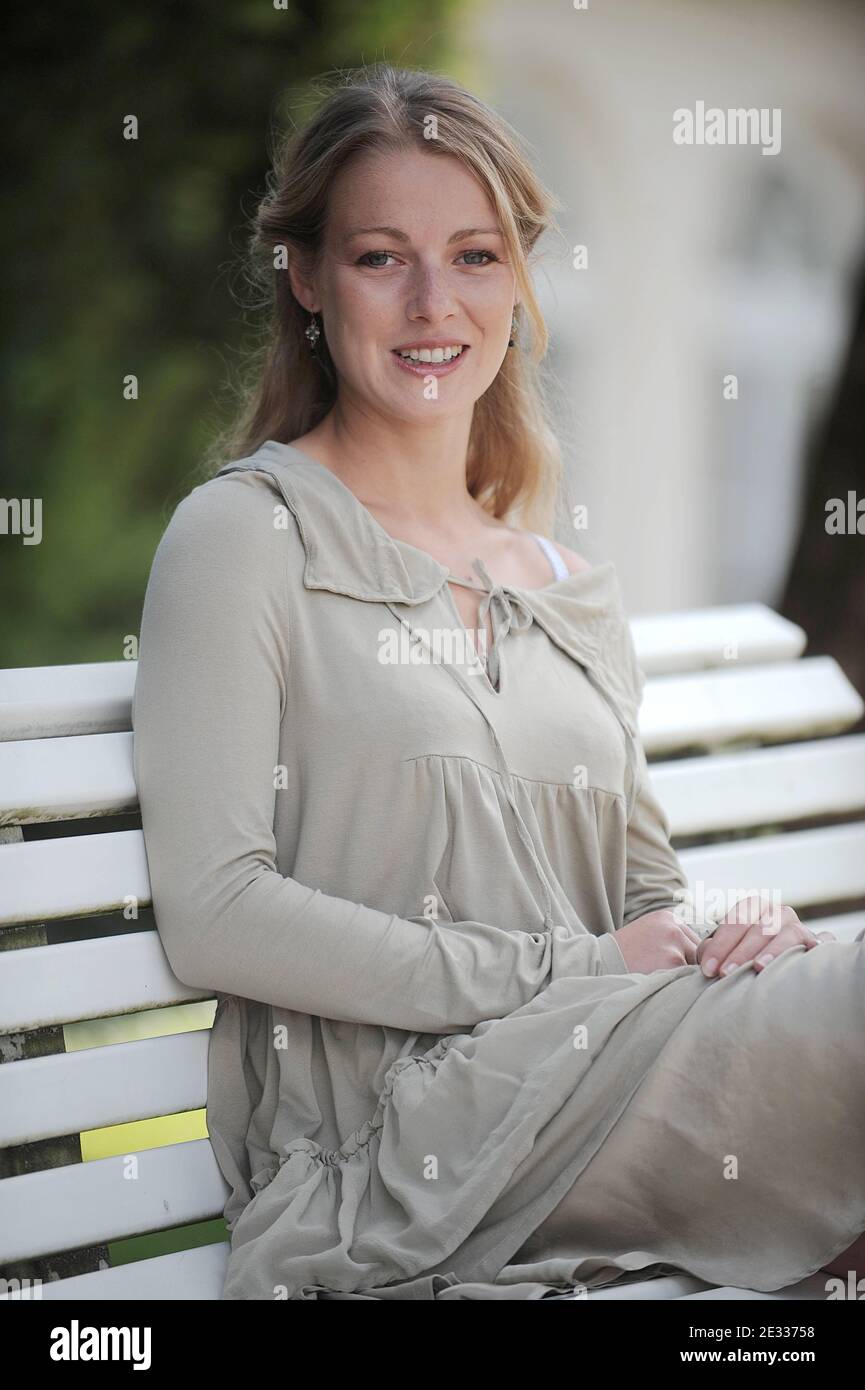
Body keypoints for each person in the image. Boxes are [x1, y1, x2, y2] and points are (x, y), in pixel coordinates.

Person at [132, 62, 865, 1300]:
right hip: (408, 1137)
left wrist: (717, 927)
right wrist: (572, 975)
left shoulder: (561, 579)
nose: (433, 301)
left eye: (474, 256)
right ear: (305, 276)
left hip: (609, 1078)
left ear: (516, 282)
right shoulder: (244, 537)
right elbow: (216, 910)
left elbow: (639, 895)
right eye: (381, 257)